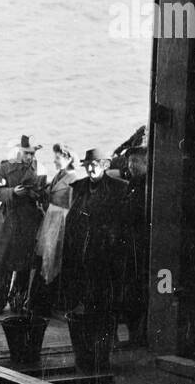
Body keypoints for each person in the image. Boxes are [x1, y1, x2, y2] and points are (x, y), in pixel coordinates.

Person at [60, 147, 132, 334]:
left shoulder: (119, 187)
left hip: (105, 251)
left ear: (104, 165)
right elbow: (72, 221)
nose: (90, 169)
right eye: (87, 166)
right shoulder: (79, 187)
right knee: (84, 293)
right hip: (82, 249)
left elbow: (122, 224)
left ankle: (108, 334)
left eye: (94, 165)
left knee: (106, 296)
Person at [0, 137, 45, 315]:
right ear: (20, 151)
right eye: (27, 153)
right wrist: (12, 192)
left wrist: (36, 193)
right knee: (2, 263)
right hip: (8, 220)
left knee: (24, 265)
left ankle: (17, 300)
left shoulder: (38, 168)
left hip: (28, 221)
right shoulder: (4, 167)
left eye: (33, 154)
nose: (30, 157)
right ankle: (0, 300)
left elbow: (42, 193)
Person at [27, 143, 82, 313]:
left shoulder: (73, 179)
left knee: (54, 260)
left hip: (61, 220)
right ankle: (41, 301)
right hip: (51, 218)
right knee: (46, 259)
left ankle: (49, 302)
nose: (55, 161)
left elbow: (74, 206)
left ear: (68, 159)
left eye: (58, 158)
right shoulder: (60, 174)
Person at [120, 146, 150, 345]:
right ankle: (134, 335)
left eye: (135, 162)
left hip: (143, 248)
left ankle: (139, 335)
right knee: (131, 293)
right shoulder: (132, 184)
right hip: (130, 247)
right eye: (129, 162)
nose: (131, 165)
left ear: (146, 163)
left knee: (141, 292)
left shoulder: (148, 186)